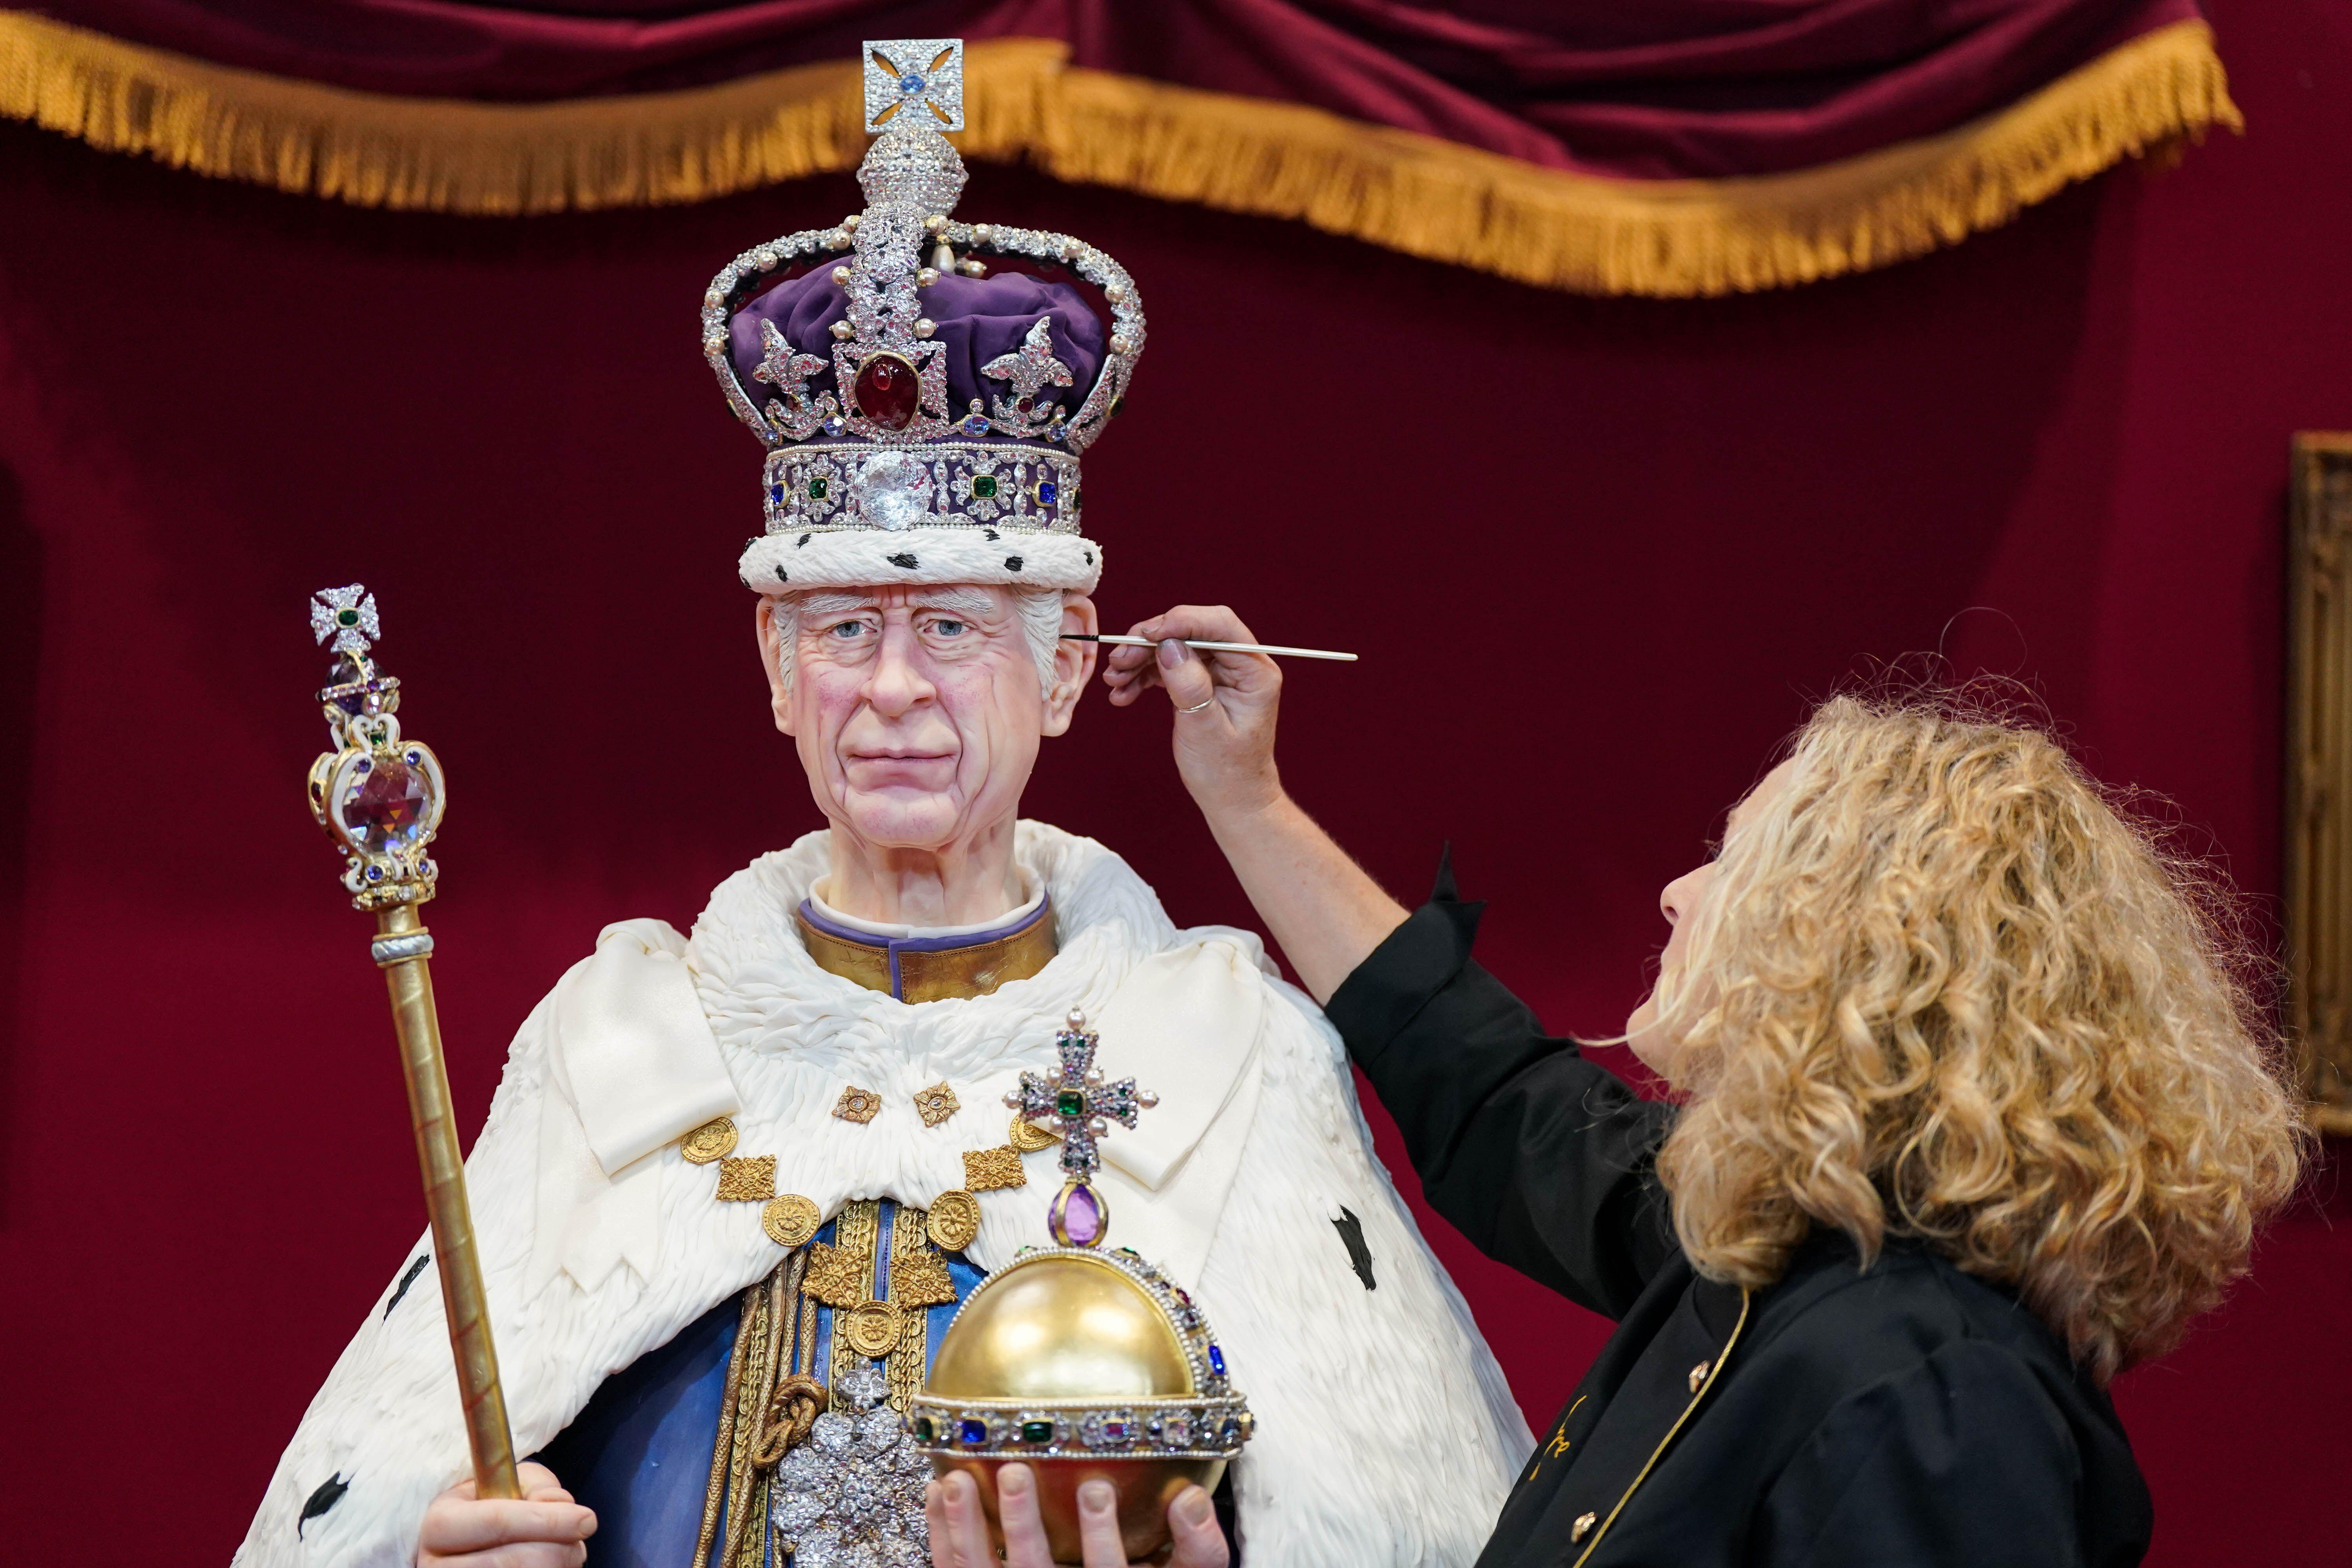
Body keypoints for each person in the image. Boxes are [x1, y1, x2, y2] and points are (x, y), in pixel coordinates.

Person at [232, 46, 1526, 1568]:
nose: (894, 688)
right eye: (845, 629)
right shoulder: (620, 1044)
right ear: (776, 667)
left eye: (955, 629)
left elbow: (1403, 1521)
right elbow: (378, 1505)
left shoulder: (1225, 1053)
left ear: (1060, 672)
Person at [1094, 604, 2310, 1567]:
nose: (1680, 892)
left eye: (1733, 861)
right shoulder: (1793, 1257)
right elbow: (1499, 1094)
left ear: (1857, 952)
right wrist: (1246, 798)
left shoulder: (1930, 1389)